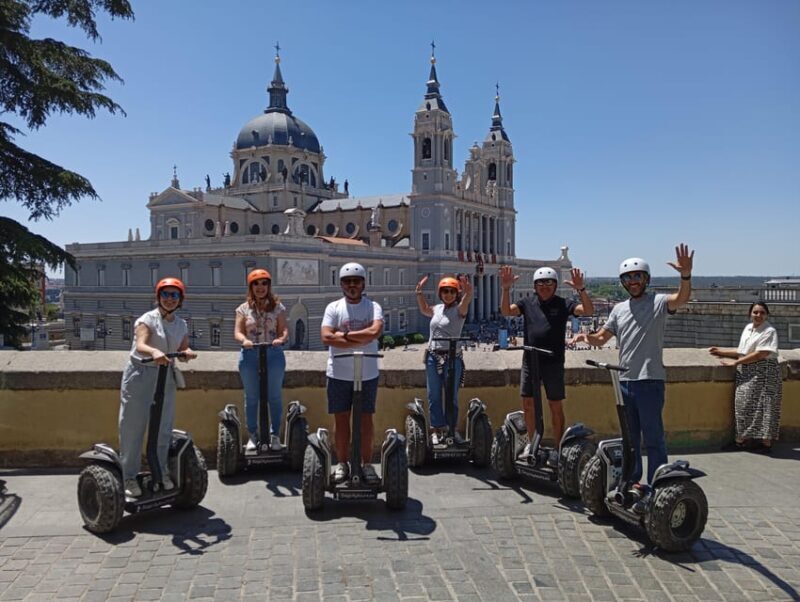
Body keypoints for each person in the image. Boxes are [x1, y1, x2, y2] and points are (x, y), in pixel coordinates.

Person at [571, 244, 694, 494]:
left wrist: (685, 276)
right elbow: (602, 337)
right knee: (630, 440)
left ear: (646, 279)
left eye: (637, 276)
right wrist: (586, 337)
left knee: (653, 438)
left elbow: (681, 299)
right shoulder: (619, 309)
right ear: (623, 282)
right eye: (628, 277)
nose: (633, 281)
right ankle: (634, 481)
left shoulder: (658, 302)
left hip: (649, 380)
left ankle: (658, 485)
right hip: (624, 381)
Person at [500, 265, 594, 466]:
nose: (544, 287)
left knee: (554, 405)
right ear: (535, 286)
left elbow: (588, 310)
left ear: (555, 285)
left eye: (549, 283)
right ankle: (533, 444)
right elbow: (507, 311)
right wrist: (506, 289)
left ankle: (559, 449)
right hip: (530, 361)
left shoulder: (563, 303)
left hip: (553, 361)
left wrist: (581, 289)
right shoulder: (527, 302)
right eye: (540, 283)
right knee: (528, 403)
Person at [119, 277, 196, 498]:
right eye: (165, 294)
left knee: (163, 427)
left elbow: (182, 346)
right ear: (158, 297)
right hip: (140, 374)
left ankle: (160, 471)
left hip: (165, 376)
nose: (170, 299)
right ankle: (129, 477)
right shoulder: (147, 320)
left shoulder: (181, 324)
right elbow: (141, 344)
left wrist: (186, 352)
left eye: (174, 295)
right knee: (133, 427)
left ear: (180, 299)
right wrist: (153, 352)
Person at [321, 262, 384, 483]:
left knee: (366, 419)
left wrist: (345, 336)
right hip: (338, 373)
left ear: (363, 283)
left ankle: (367, 464)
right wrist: (361, 337)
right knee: (341, 420)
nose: (352, 285)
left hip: (367, 373)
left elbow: (376, 331)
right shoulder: (333, 308)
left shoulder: (373, 306)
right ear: (341, 284)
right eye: (347, 282)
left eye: (356, 281)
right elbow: (326, 337)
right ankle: (342, 464)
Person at [709, 302, 782, 454]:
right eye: (755, 312)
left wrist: (735, 362)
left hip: (765, 372)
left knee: (766, 407)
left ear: (767, 315)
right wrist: (722, 352)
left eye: (762, 312)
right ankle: (744, 439)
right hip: (748, 371)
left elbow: (761, 354)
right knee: (744, 405)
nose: (758, 315)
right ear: (750, 314)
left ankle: (764, 443)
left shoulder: (769, 331)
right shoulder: (748, 328)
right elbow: (744, 351)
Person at [415, 274, 474, 444]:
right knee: (433, 394)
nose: (448, 294)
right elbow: (424, 309)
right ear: (440, 293)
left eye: (451, 291)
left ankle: (451, 430)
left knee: (451, 396)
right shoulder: (437, 309)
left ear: (456, 294)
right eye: (445, 291)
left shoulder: (459, 311)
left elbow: (465, 302)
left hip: (451, 358)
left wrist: (468, 293)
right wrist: (419, 293)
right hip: (433, 356)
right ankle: (436, 429)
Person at [234, 269, 288, 452]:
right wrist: (244, 340)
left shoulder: (278, 307)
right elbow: (237, 331)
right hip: (250, 354)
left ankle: (274, 435)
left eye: (264, 283)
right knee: (252, 397)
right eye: (256, 284)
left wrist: (280, 339)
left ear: (269, 286)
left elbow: (284, 330)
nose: (260, 287)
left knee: (274, 395)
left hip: (273, 353)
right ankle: (253, 435)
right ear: (251, 287)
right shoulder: (243, 309)